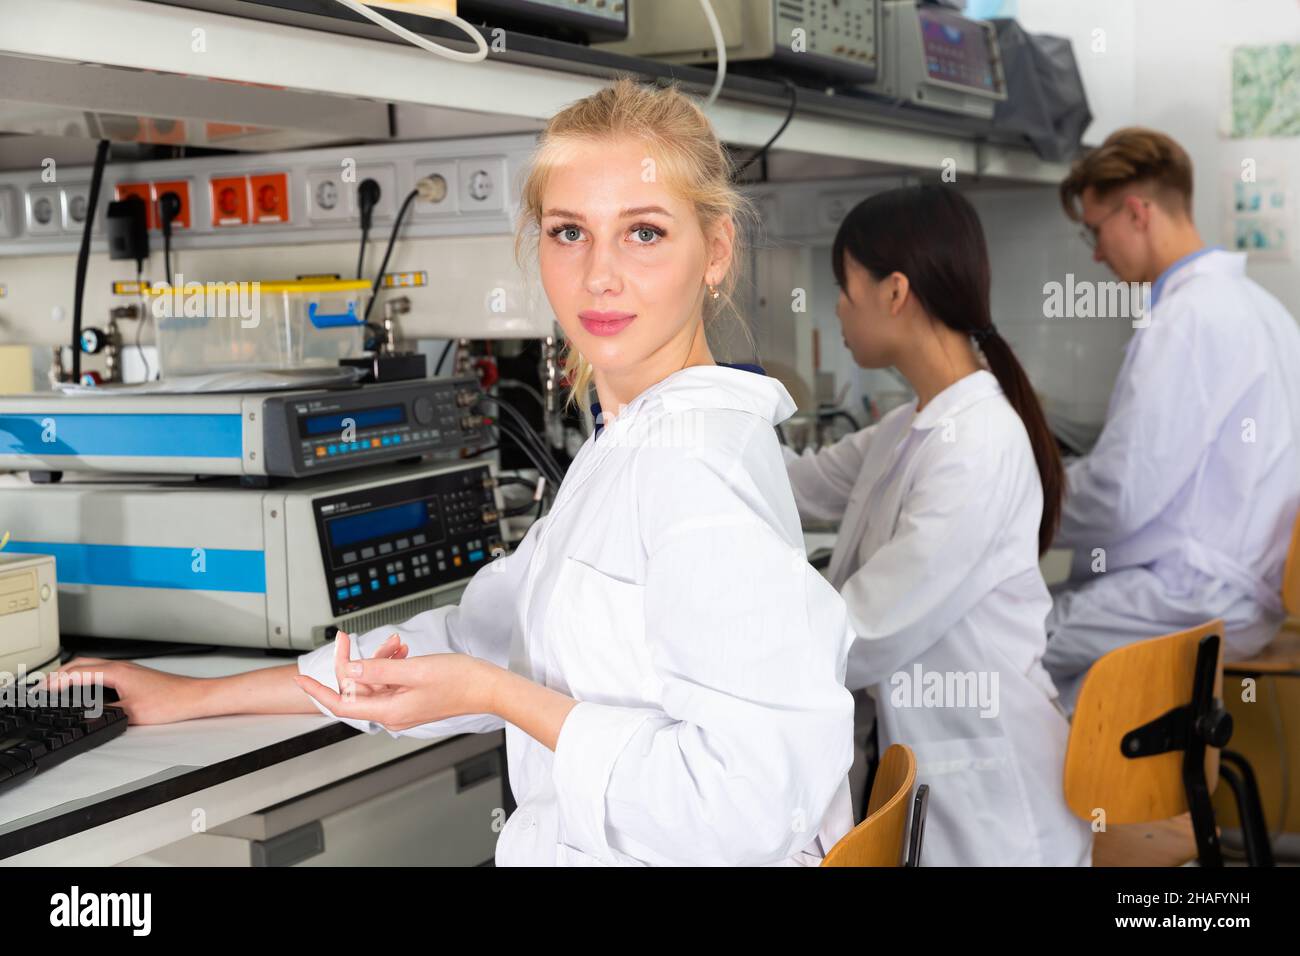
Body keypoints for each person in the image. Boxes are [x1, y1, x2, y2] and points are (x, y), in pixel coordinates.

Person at [51, 78, 857, 867]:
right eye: (569, 232)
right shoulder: (632, 448)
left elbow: (742, 806)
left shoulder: (692, 469)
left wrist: (497, 696)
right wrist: (192, 696)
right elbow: (474, 642)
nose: (599, 275)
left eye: (644, 232)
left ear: (716, 252)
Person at [784, 185, 1092, 866]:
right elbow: (801, 484)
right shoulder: (909, 427)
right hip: (940, 771)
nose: (837, 304)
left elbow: (865, 630)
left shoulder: (977, 444)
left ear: (895, 293)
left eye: (845, 284)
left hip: (994, 800)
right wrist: (692, 425)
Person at [1045, 127, 1300, 710]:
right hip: (1239, 597)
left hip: (1192, 596)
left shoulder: (1185, 320)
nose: (1096, 252)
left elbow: (1120, 495)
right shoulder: (1264, 308)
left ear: (1136, 212)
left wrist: (1023, 497)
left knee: (1003, 649)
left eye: (1096, 229)